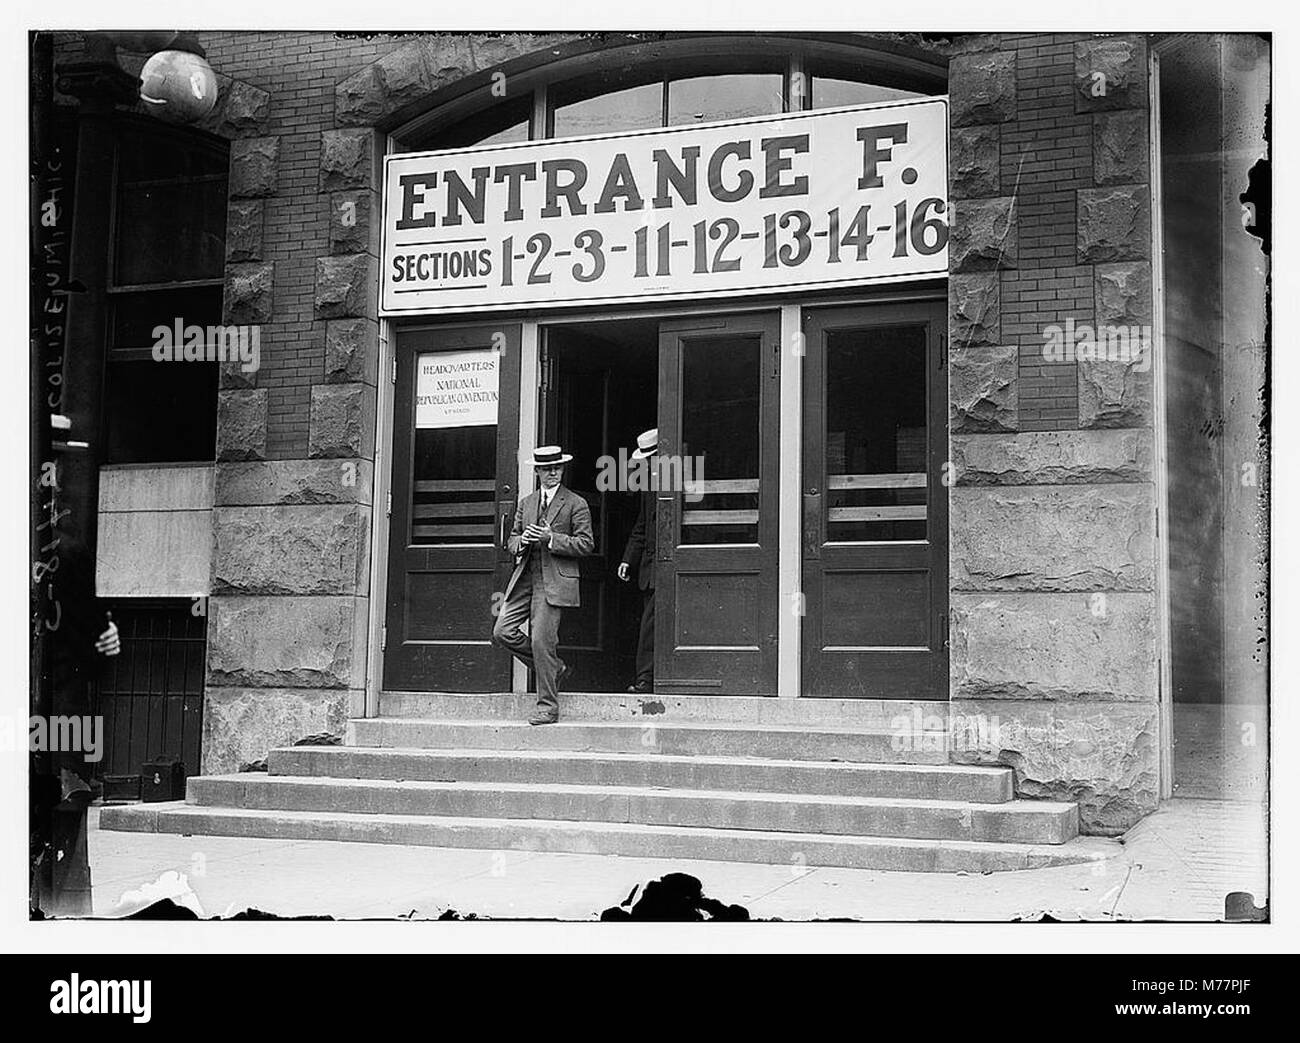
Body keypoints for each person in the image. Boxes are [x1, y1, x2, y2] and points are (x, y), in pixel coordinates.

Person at [492, 445, 594, 725]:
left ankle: (548, 707)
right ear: (537, 471)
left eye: (557, 468)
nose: (553, 473)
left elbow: (586, 544)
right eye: (547, 469)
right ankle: (556, 668)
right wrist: (522, 540)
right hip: (525, 578)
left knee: (541, 641)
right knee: (502, 632)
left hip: (554, 581)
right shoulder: (526, 503)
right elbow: (512, 541)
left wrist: (551, 539)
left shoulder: (575, 503)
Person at [617, 428, 658, 694]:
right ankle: (646, 679)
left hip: (670, 567)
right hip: (649, 569)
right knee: (649, 625)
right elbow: (642, 526)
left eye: (652, 458)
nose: (649, 464)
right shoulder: (648, 486)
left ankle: (646, 679)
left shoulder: (681, 481)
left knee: (651, 625)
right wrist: (627, 559)